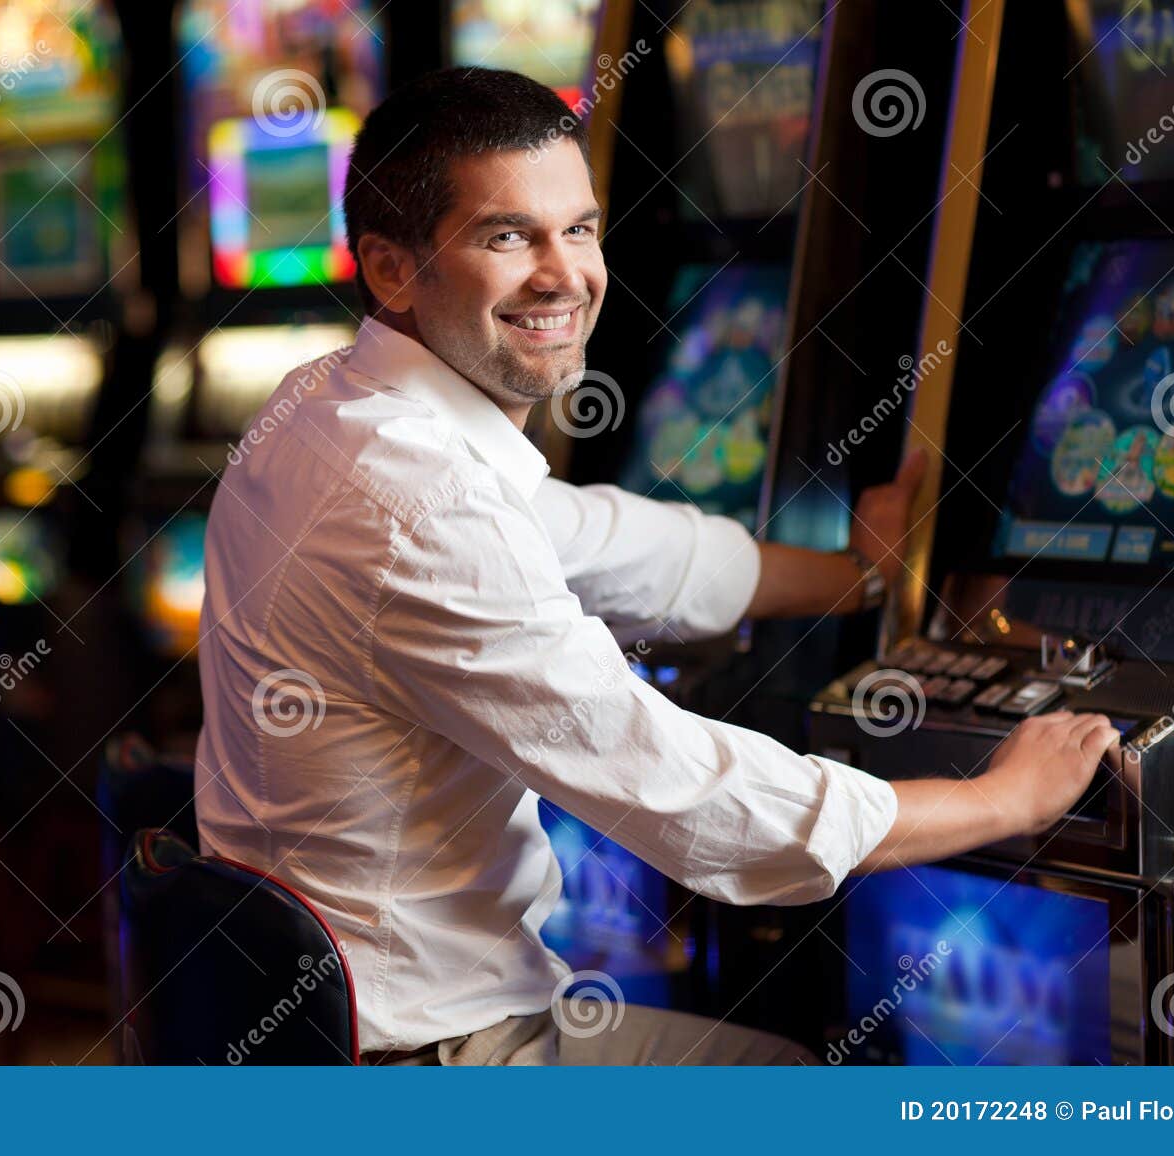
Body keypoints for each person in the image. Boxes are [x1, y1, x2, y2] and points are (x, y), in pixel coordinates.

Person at [192, 68, 1118, 1065]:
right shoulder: (418, 502)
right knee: (791, 1079)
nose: (564, 274)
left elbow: (612, 544)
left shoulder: (328, 410)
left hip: (307, 1026)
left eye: (579, 229)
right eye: (506, 237)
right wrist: (1000, 800)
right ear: (390, 269)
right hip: (418, 1060)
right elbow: (694, 805)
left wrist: (864, 575)